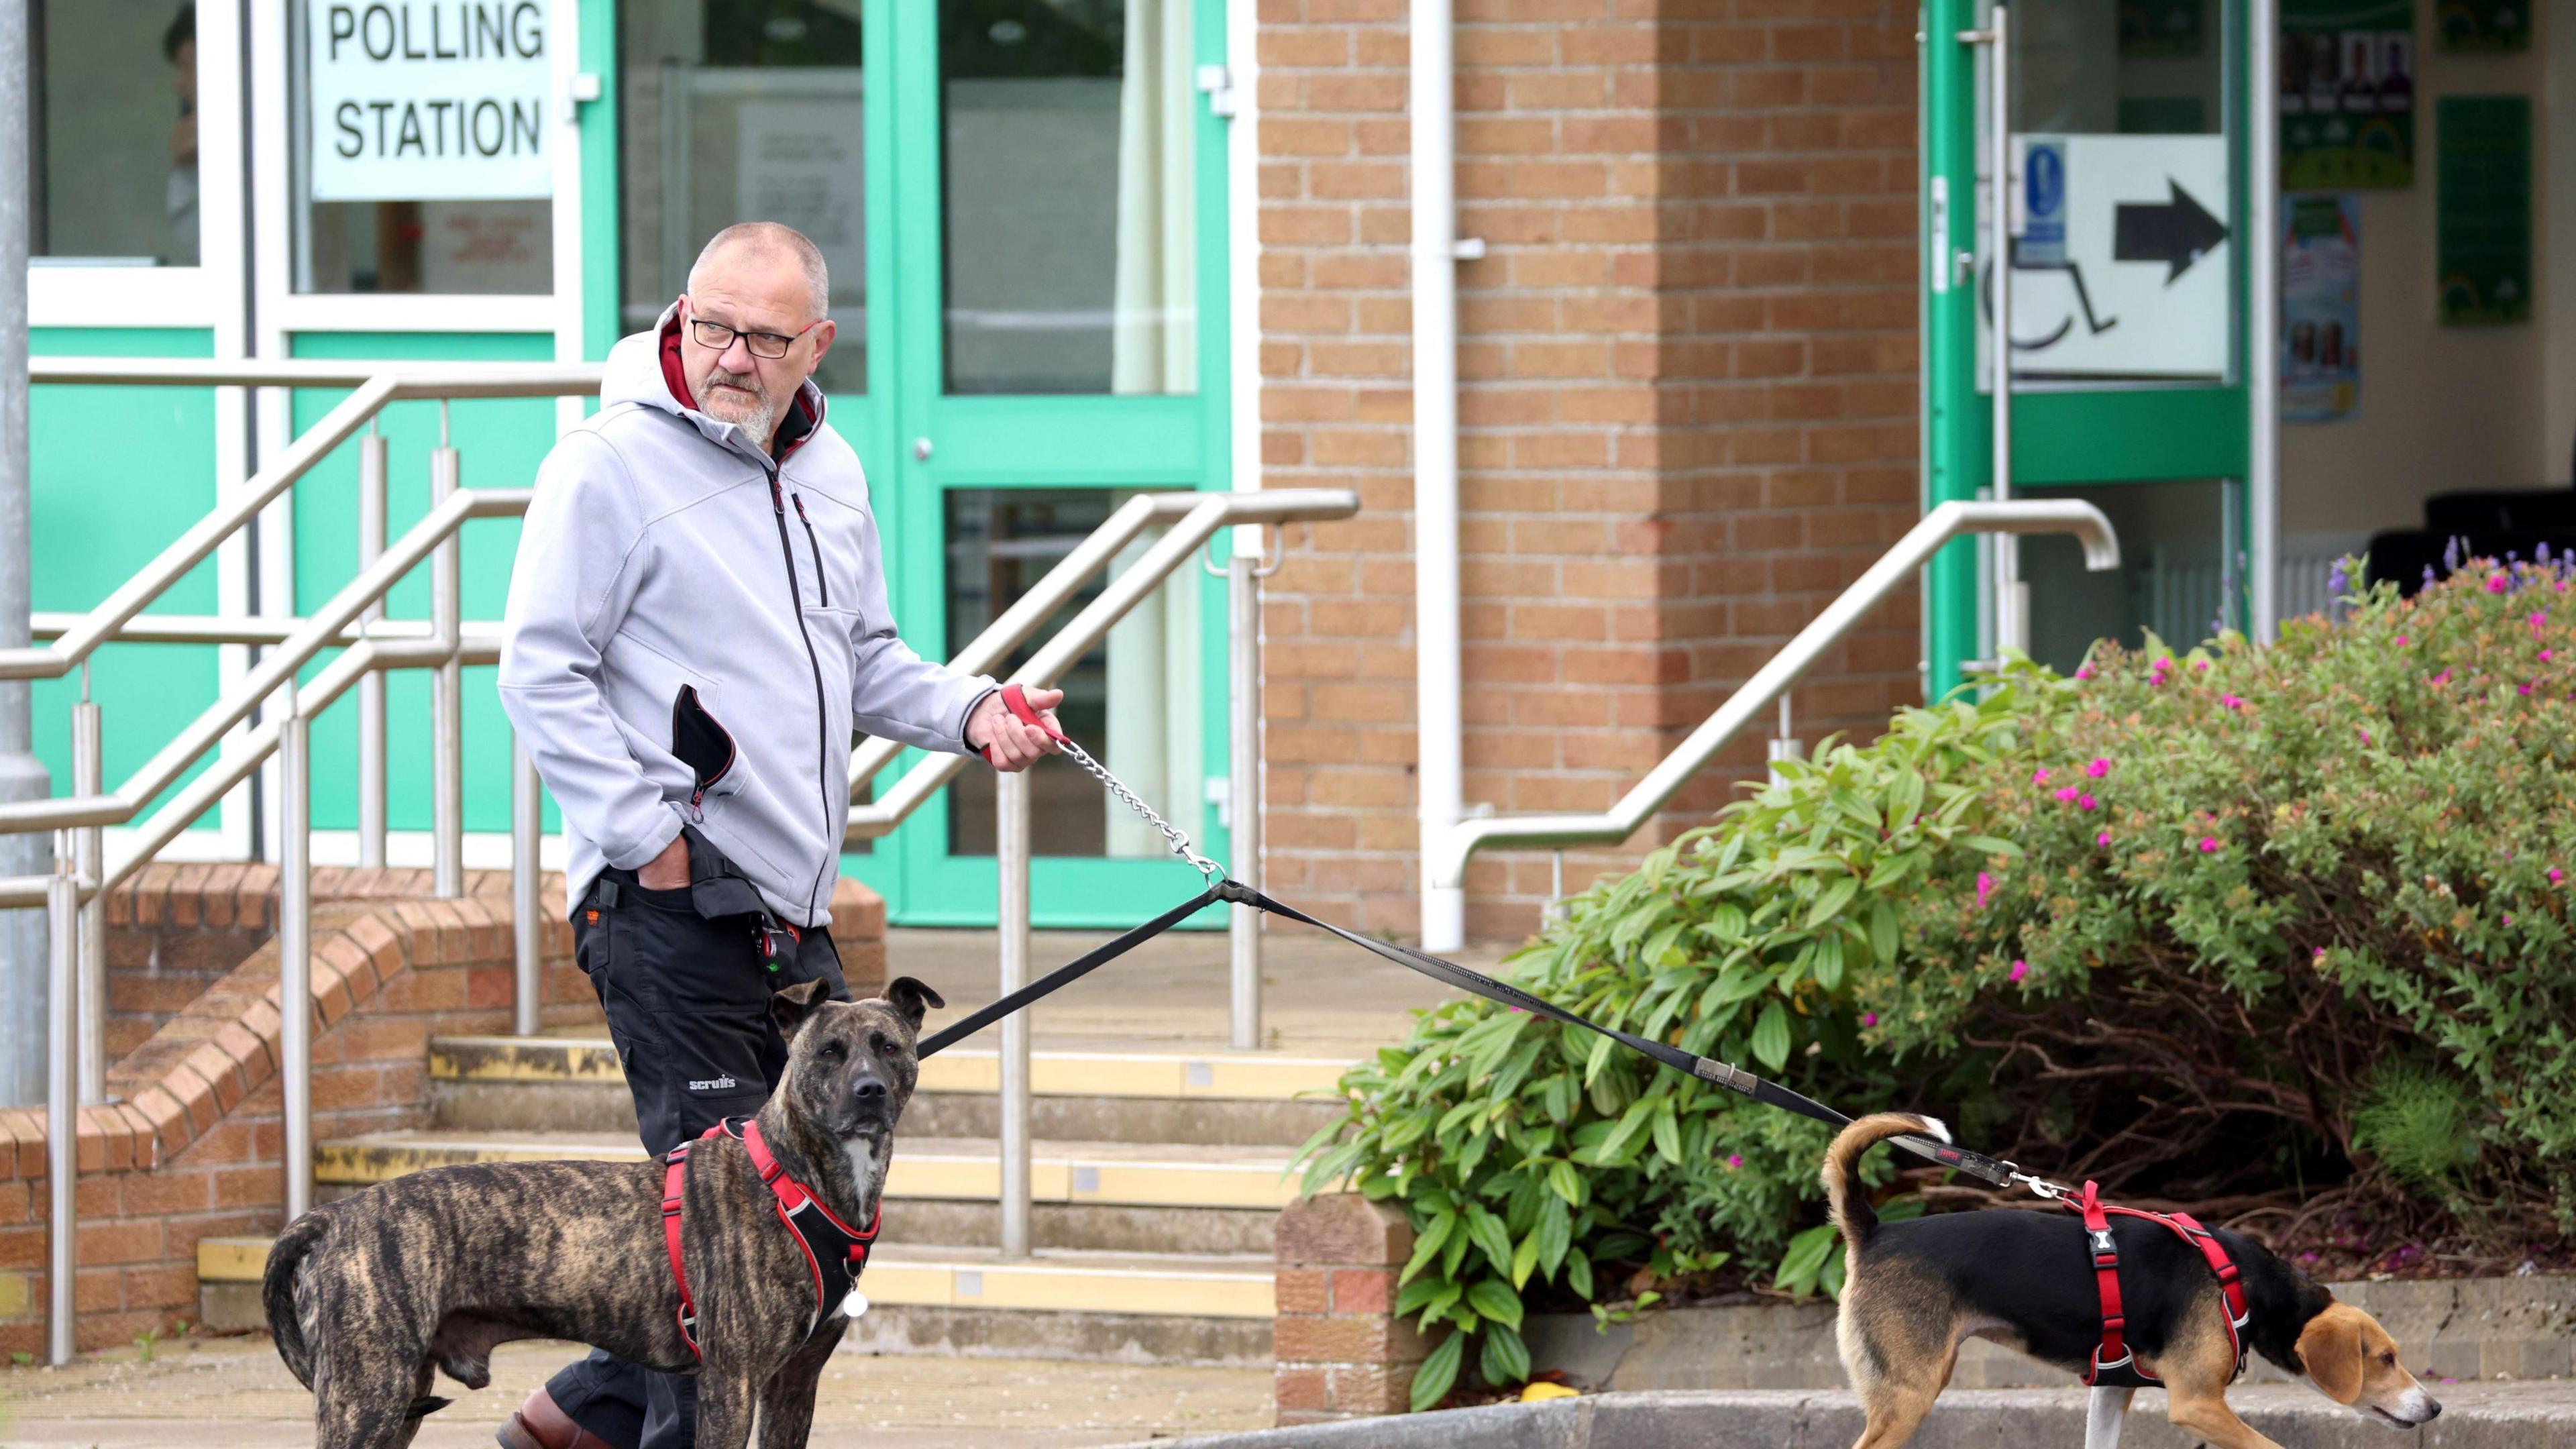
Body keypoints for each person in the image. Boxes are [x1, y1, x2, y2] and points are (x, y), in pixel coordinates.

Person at [494, 222, 1063, 1449]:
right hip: (666, 904)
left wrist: (974, 712)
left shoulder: (832, 468)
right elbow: (540, 669)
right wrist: (648, 838)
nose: (730, 358)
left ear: (819, 343)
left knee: (801, 1234)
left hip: (787, 915)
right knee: (721, 1271)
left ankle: (565, 1424)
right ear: (680, 316)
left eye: (762, 336)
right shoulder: (605, 466)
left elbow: (861, 660)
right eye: (711, 325)